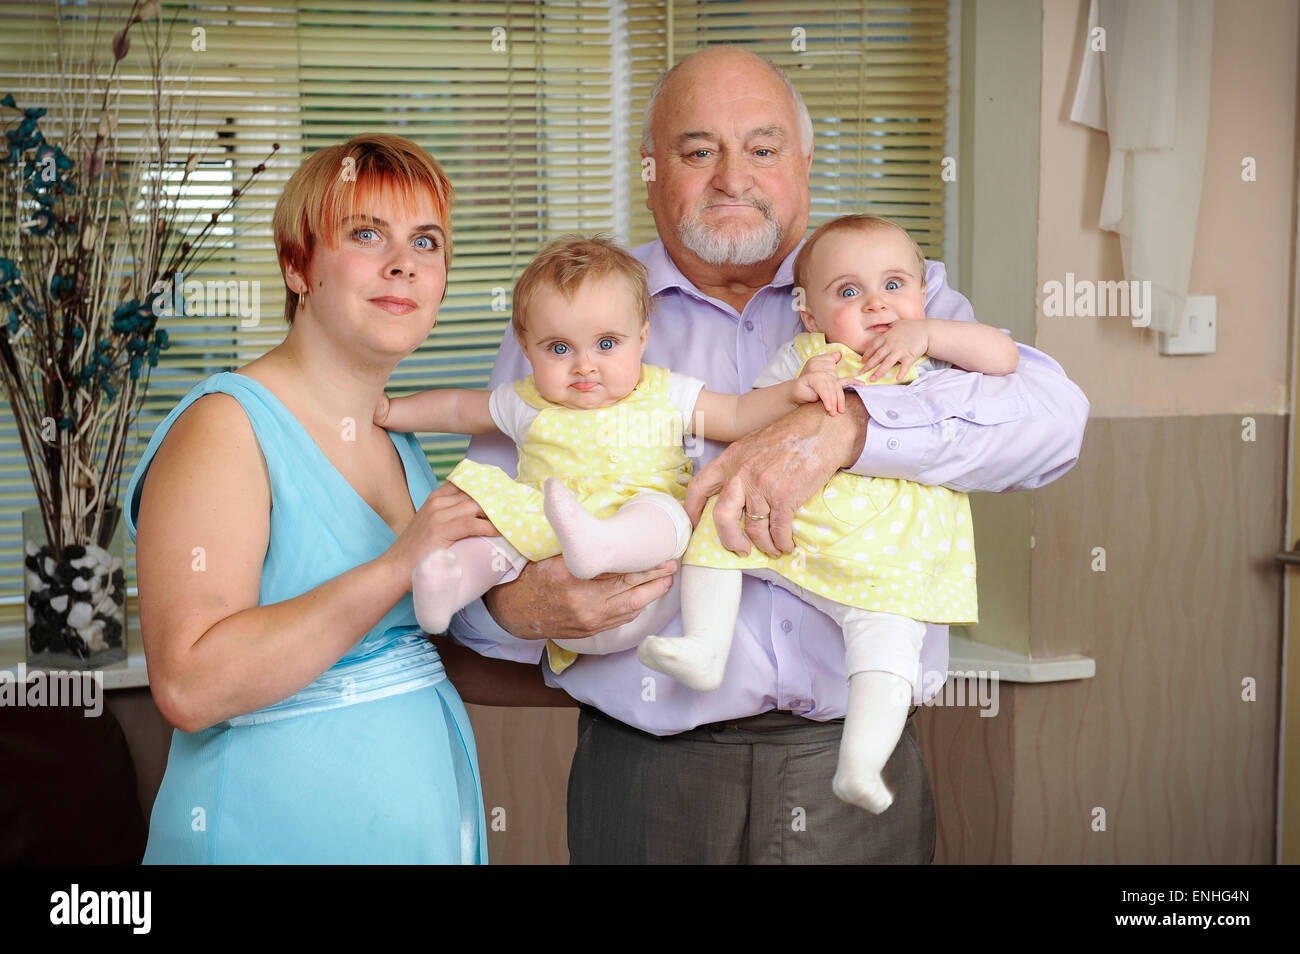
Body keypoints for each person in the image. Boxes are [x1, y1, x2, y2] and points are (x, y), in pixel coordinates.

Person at [451, 47, 1089, 864]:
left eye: (762, 147)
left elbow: (1053, 422)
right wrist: (515, 611)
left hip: (854, 763)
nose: (731, 177)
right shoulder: (574, 318)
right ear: (650, 171)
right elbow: (480, 538)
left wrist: (851, 428)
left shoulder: (889, 290)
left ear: (805, 163)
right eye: (697, 150)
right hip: (648, 772)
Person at [125, 133, 566, 864]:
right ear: (298, 265)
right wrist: (398, 564)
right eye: (367, 234)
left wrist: (587, 681)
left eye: (426, 242)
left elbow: (409, 649)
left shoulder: (397, 438)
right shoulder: (226, 427)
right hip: (265, 834)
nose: (403, 263)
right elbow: (189, 684)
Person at [638, 213, 1017, 815]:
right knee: (716, 518)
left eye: (895, 285)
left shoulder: (936, 357)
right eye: (848, 292)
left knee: (892, 637)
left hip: (893, 549)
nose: (877, 304)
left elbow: (1003, 357)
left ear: (923, 295)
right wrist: (799, 390)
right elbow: (756, 426)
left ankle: (862, 762)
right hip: (800, 529)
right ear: (810, 313)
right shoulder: (808, 355)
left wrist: (931, 335)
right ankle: (705, 646)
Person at [373, 236, 844, 659]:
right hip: (551, 546)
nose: (584, 366)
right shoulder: (526, 403)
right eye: (559, 348)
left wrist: (791, 392)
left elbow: (739, 414)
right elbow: (457, 410)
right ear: (526, 345)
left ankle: (602, 544)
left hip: (640, 563)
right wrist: (393, 411)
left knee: (667, 515)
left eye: (605, 344)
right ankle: (447, 586)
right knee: (499, 533)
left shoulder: (667, 393)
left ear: (641, 338)